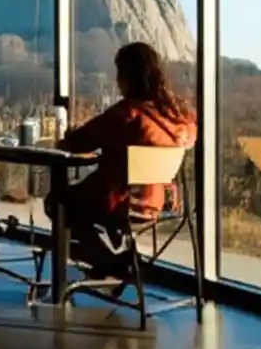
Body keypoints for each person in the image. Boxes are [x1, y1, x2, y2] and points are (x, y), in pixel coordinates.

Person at [50, 41, 197, 276]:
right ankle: (110, 255)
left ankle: (110, 263)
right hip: (160, 203)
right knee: (78, 203)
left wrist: (68, 134)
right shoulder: (179, 116)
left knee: (57, 202)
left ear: (127, 76)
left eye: (119, 73)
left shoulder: (126, 115)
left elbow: (75, 143)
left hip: (121, 203)